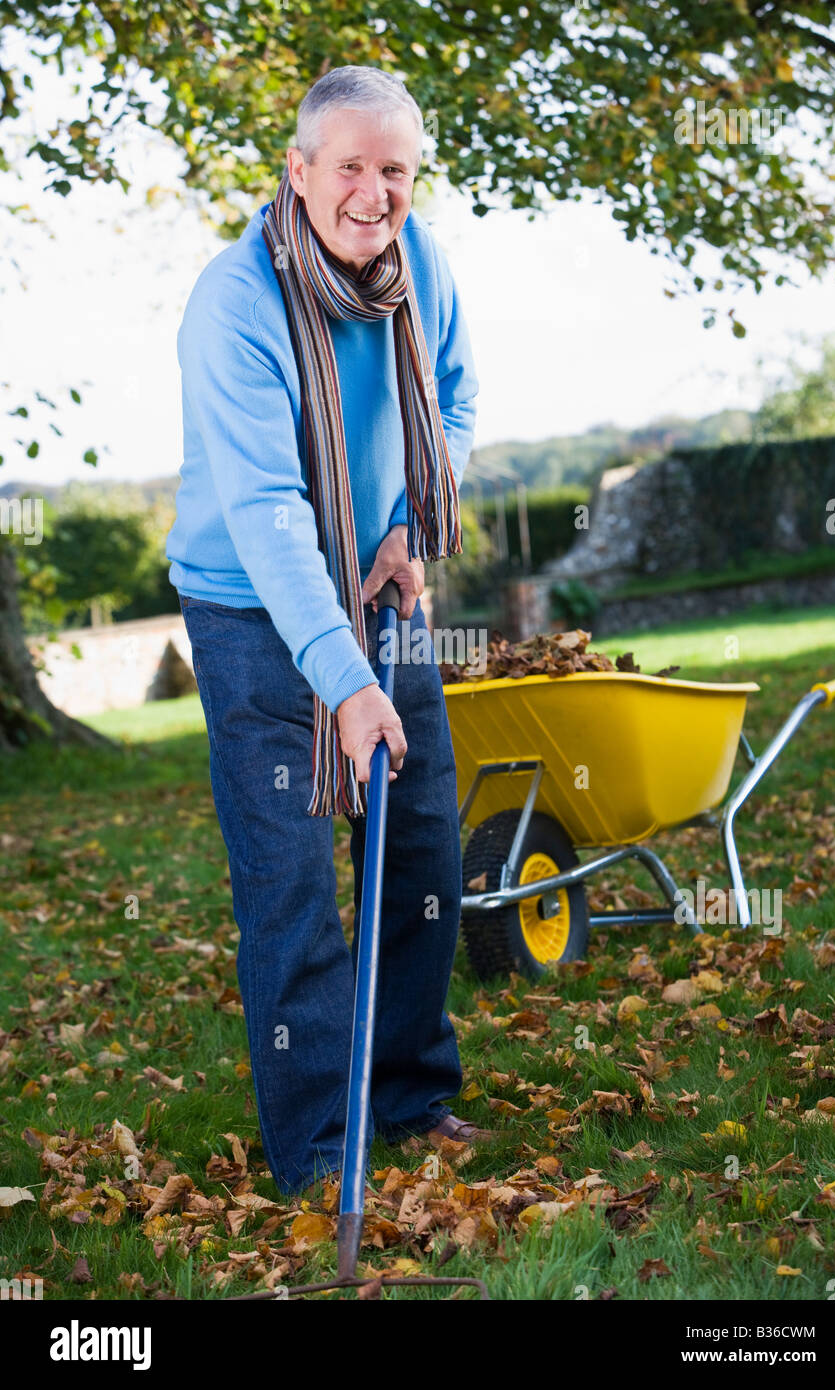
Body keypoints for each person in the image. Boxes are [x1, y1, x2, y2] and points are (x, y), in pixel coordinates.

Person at [165, 64, 492, 1196]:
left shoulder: (424, 264)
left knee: (422, 852)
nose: (372, 191)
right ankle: (316, 1151)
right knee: (292, 884)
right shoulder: (235, 301)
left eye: (393, 169)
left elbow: (450, 399)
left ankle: (407, 1096)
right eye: (348, 166)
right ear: (297, 173)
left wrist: (406, 522)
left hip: (376, 584)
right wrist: (341, 678)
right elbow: (264, 511)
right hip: (253, 608)